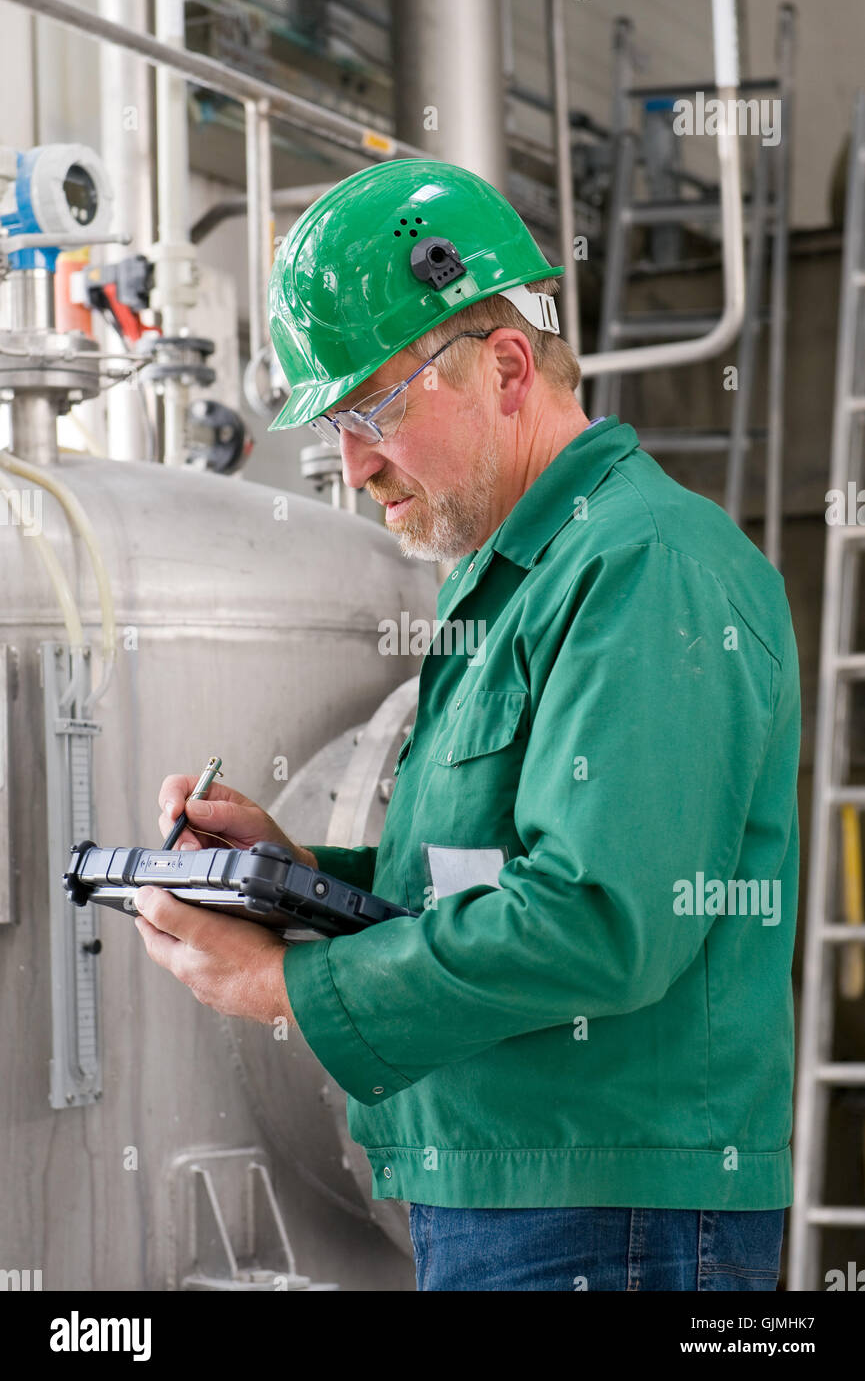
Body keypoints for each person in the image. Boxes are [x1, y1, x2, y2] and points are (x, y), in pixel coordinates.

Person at [135, 158, 801, 1292]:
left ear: (502, 366)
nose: (350, 466)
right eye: (332, 424)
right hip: (508, 1190)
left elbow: (596, 919)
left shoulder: (644, 566)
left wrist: (280, 986)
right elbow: (478, 881)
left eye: (372, 408)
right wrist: (295, 875)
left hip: (608, 1216)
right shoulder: (509, 583)